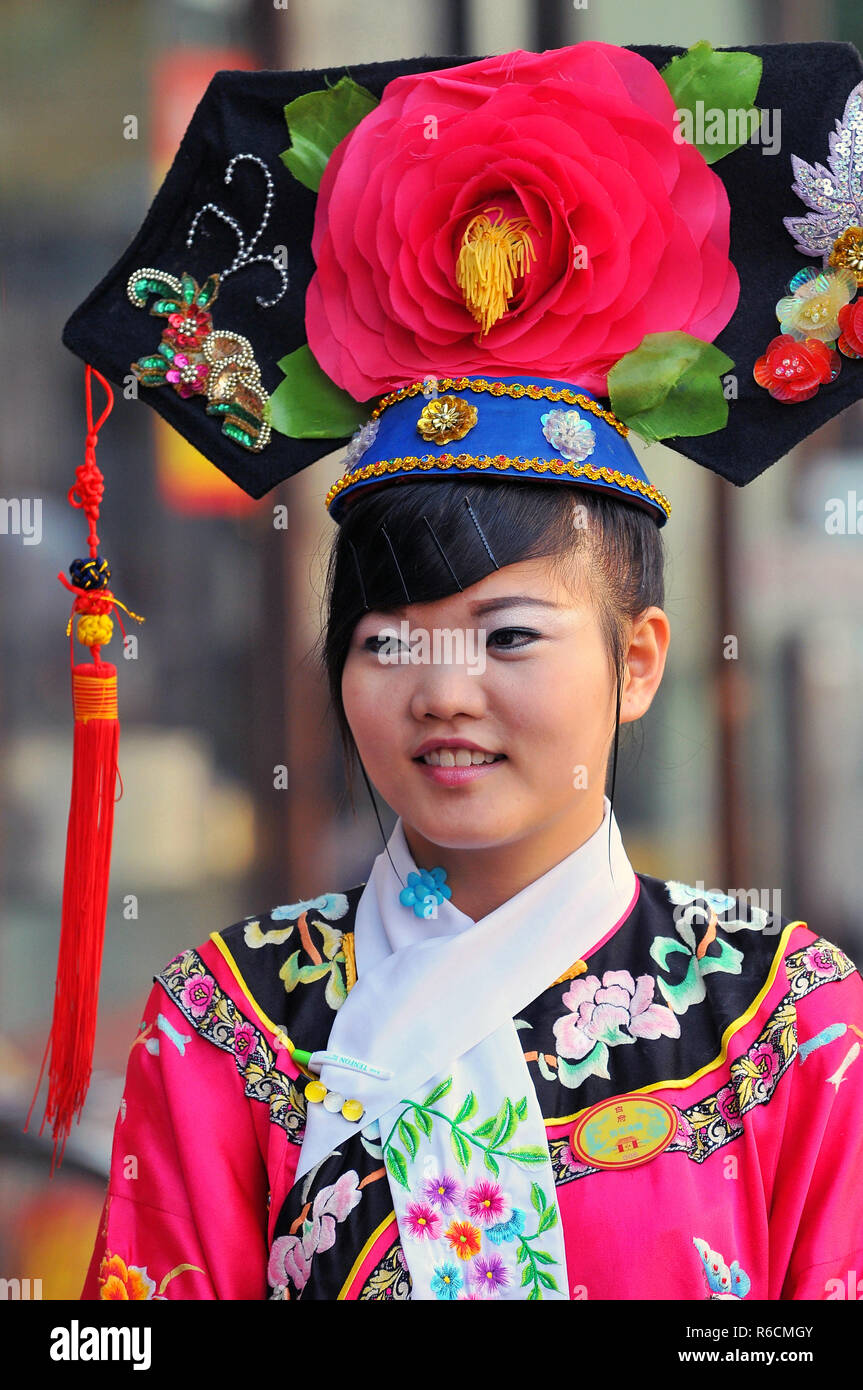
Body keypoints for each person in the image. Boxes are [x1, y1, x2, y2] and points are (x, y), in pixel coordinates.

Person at [56, 38, 863, 1299]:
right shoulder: (224, 1022)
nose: (440, 687)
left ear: (638, 660)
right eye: (387, 636)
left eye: (508, 634)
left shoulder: (787, 1028)